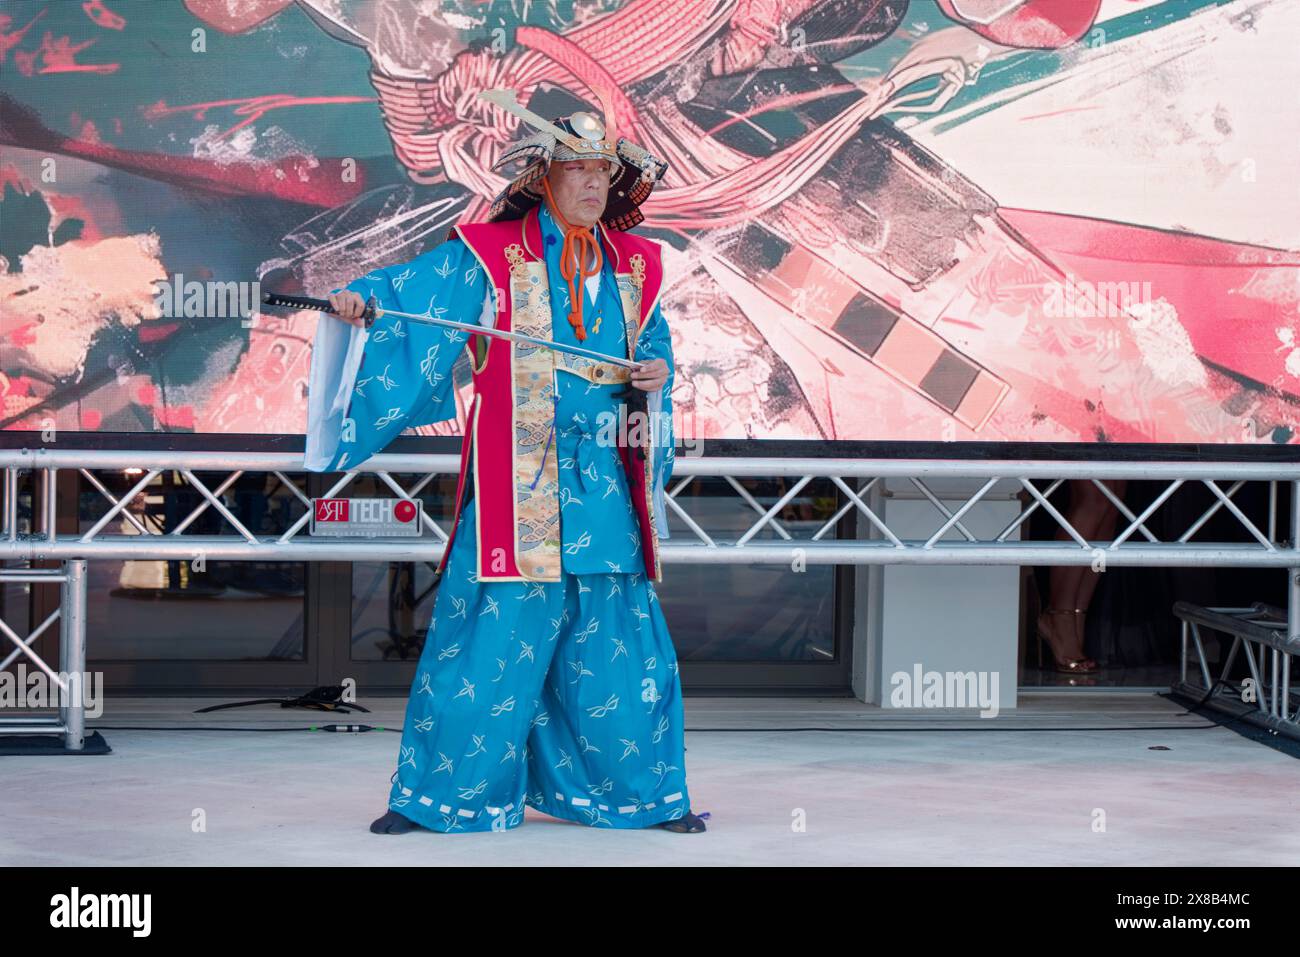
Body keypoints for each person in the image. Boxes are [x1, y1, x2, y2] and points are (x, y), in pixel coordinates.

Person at [303, 96, 706, 834]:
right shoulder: (491, 254)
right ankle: (442, 798)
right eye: (577, 169)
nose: (592, 183)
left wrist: (653, 375)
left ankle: (637, 795)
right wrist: (365, 304)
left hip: (602, 485)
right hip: (517, 488)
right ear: (544, 177)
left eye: (602, 171)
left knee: (616, 643)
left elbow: (656, 354)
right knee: (492, 642)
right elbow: (407, 293)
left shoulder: (638, 269)